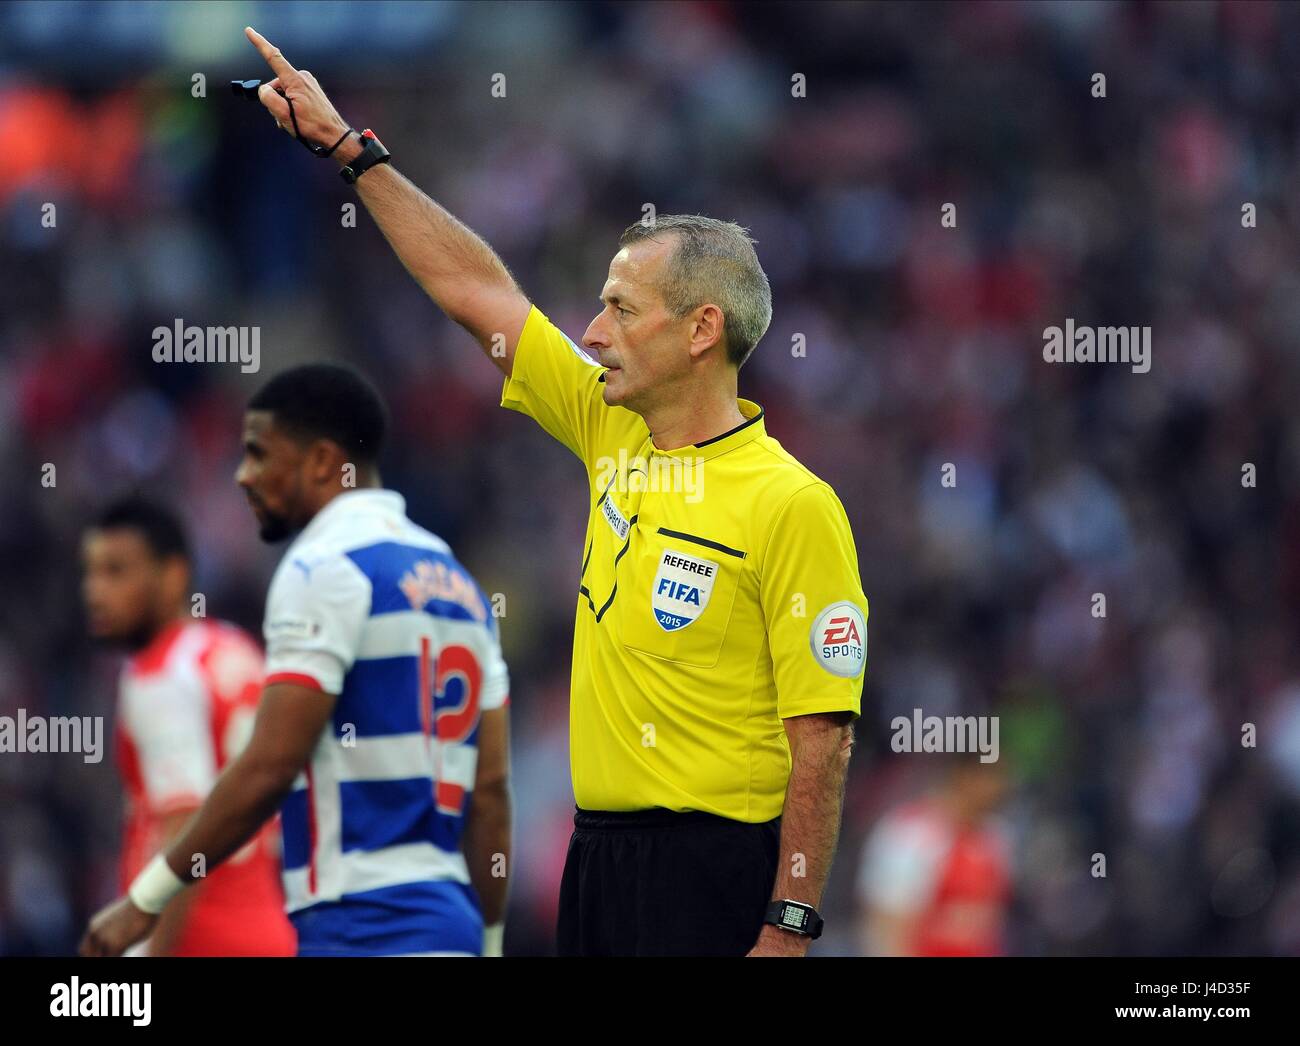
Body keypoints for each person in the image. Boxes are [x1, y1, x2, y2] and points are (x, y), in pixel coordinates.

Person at [232, 26, 867, 957]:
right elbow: (476, 292)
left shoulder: (792, 505)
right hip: (598, 862)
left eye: (620, 309)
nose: (593, 331)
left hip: (715, 873)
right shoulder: (613, 427)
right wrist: (351, 153)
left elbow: (824, 738)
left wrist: (790, 926)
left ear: (701, 331)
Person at [80, 365, 512, 957]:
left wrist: (145, 899)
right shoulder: (463, 586)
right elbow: (490, 793)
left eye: (259, 454)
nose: (243, 475)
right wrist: (490, 940)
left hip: (359, 927)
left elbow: (271, 765)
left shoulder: (324, 567)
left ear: (322, 462)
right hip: (448, 929)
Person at [81, 497, 295, 956]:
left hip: (199, 939)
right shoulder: (234, 650)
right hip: (269, 930)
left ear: (173, 575)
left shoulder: (159, 676)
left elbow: (183, 827)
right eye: (91, 572)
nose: (95, 591)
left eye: (116, 571)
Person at [856, 755, 1012, 957]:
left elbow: (989, 924)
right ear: (964, 775)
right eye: (992, 777)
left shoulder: (995, 837)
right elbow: (884, 927)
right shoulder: (911, 833)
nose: (1001, 788)